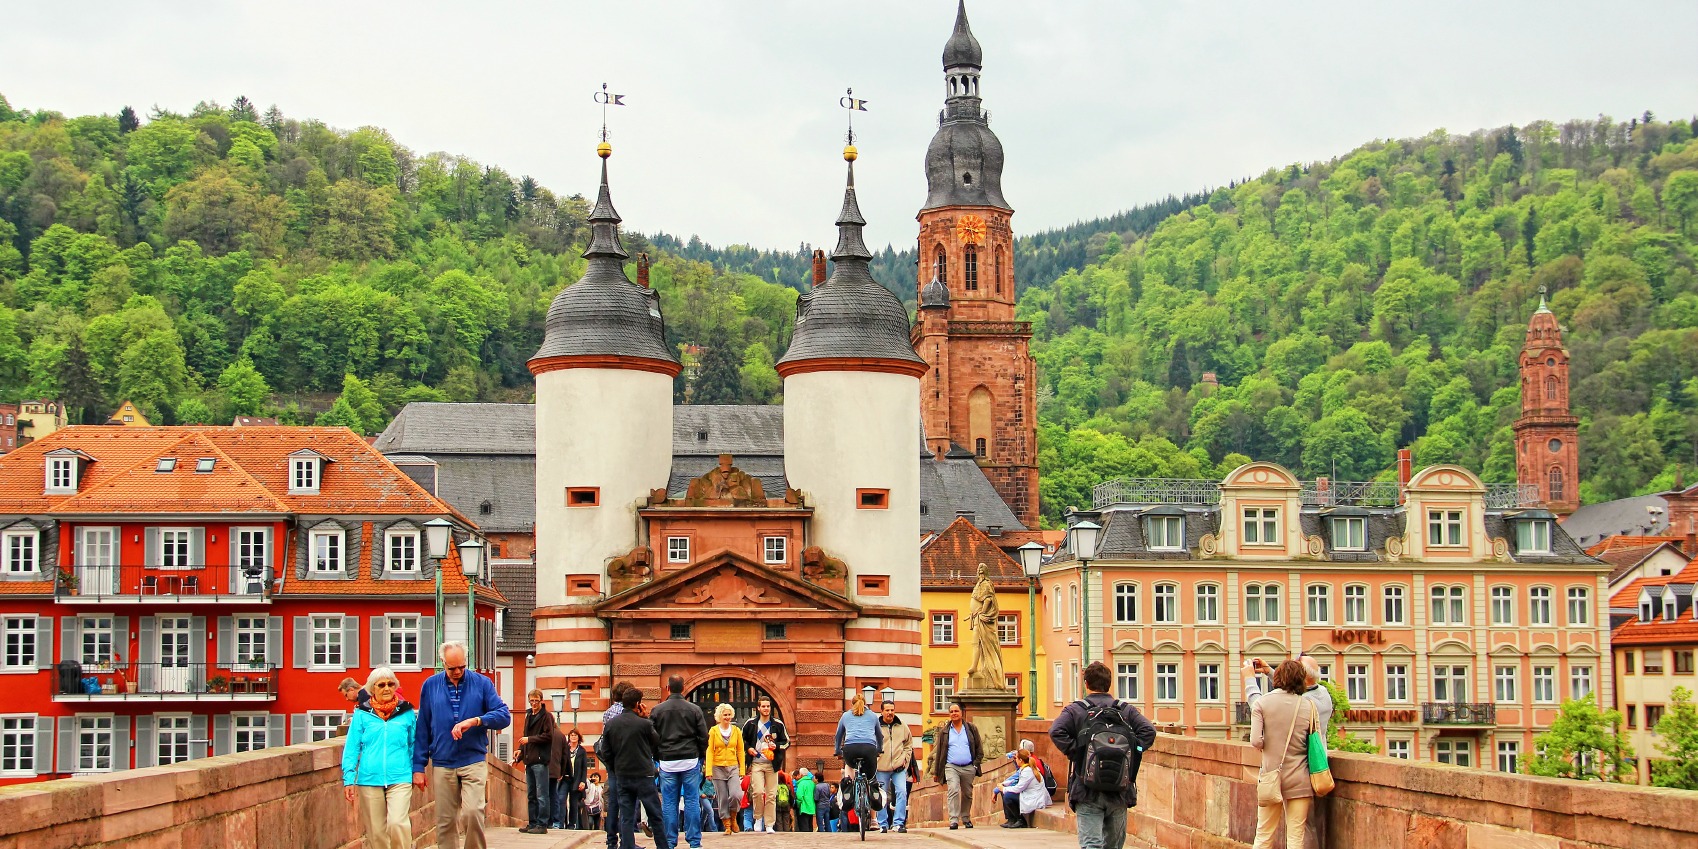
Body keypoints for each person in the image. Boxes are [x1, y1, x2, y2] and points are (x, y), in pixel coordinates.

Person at [412, 641, 511, 849]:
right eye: (452, 668)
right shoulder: (430, 685)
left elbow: (503, 716)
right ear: (442, 663)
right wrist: (418, 767)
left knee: (473, 813)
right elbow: (422, 727)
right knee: (445, 822)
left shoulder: (482, 683)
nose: (457, 671)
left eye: (461, 667)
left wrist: (476, 720)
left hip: (473, 759)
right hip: (442, 760)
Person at [1050, 661, 1159, 849]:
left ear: (1086, 684)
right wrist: (1133, 751)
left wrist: (1077, 752)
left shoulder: (1076, 709)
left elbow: (1056, 731)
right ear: (1109, 684)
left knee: (1092, 845)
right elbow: (1149, 731)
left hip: (1087, 789)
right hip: (1119, 788)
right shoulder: (1124, 710)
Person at [342, 668, 417, 849]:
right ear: (372, 688)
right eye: (381, 685)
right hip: (369, 778)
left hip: (400, 776)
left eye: (390, 684)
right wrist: (349, 778)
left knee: (397, 823)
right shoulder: (362, 713)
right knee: (376, 834)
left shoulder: (406, 711)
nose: (386, 688)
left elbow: (414, 743)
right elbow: (352, 747)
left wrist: (417, 770)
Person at [604, 687, 669, 849]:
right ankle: (662, 846)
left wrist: (616, 767)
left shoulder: (611, 724)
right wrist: (646, 717)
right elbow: (656, 742)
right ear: (638, 704)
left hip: (623, 775)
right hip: (643, 776)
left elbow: (606, 752)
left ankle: (627, 846)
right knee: (655, 815)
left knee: (626, 816)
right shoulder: (644, 724)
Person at [650, 675, 708, 849]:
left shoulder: (657, 710)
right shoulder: (694, 709)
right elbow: (704, 736)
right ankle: (694, 842)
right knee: (692, 800)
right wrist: (700, 754)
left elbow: (651, 736)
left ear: (667, 688)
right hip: (690, 758)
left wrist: (657, 756)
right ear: (683, 688)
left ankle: (669, 841)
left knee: (669, 802)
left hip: (667, 760)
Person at [1243, 655, 1333, 738]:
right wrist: (1269, 671)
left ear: (1303, 675)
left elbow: (1258, 707)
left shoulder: (1302, 702)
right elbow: (1292, 685)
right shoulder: (1323, 692)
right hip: (1318, 753)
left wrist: (1249, 678)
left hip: (1297, 754)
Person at [926, 702, 982, 830]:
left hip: (968, 766)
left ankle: (966, 818)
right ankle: (954, 820)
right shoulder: (945, 731)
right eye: (951, 712)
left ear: (962, 713)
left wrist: (975, 766)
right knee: (953, 790)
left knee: (967, 794)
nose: (954, 714)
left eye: (956, 711)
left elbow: (979, 749)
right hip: (951, 766)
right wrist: (936, 771)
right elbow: (939, 752)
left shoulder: (971, 729)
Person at [740, 697, 788, 833]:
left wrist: (777, 746)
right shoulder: (750, 724)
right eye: (764, 706)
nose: (766, 708)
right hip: (756, 763)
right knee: (758, 791)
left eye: (768, 706)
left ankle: (769, 824)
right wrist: (748, 748)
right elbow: (742, 739)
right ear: (758, 708)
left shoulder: (778, 724)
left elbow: (787, 742)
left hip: (772, 764)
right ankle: (758, 818)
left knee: (771, 794)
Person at [833, 692, 884, 821]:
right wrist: (879, 749)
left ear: (852, 703)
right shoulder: (873, 716)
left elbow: (838, 735)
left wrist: (838, 751)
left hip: (850, 749)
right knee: (871, 777)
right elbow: (879, 736)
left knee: (849, 766)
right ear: (865, 703)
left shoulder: (845, 716)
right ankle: (873, 818)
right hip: (869, 749)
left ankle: (848, 790)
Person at [515, 689, 559, 834]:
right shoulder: (529, 715)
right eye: (531, 701)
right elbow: (525, 735)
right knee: (531, 794)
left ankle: (542, 824)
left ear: (541, 701)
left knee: (542, 794)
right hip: (529, 759)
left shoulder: (547, 716)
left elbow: (548, 736)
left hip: (540, 759)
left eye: (536, 701)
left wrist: (530, 740)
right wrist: (520, 751)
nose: (533, 704)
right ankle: (532, 823)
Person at [704, 702, 745, 833]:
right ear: (719, 716)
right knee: (722, 797)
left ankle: (733, 817)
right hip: (717, 767)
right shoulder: (713, 731)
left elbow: (740, 750)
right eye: (724, 715)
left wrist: (742, 769)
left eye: (729, 715)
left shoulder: (736, 731)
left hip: (733, 766)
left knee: (736, 794)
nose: (727, 717)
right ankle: (727, 825)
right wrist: (708, 770)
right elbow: (710, 750)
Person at [873, 699, 912, 833]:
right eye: (887, 710)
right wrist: (875, 759)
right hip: (881, 767)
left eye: (892, 710)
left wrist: (905, 758)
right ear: (882, 711)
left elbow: (908, 744)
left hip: (898, 766)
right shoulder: (875, 726)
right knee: (881, 795)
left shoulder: (902, 726)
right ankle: (882, 824)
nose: (890, 712)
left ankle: (899, 823)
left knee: (901, 791)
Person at [993, 749, 1051, 828]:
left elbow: (1019, 788)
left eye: (1016, 758)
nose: (1015, 760)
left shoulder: (1027, 771)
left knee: (1007, 796)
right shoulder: (1025, 769)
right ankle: (1011, 819)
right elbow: (1014, 780)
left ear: (1020, 760)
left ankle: (1020, 820)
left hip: (1034, 798)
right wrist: (1002, 786)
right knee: (1006, 791)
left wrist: (1004, 789)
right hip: (1030, 795)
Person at [555, 728, 589, 829]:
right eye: (571, 735)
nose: (573, 737)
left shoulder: (582, 751)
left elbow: (584, 767)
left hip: (576, 779)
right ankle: (561, 823)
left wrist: (583, 781)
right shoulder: (565, 749)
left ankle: (571, 824)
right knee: (561, 799)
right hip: (565, 778)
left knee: (573, 803)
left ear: (579, 738)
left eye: (575, 735)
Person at [794, 767, 816, 832]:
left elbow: (799, 796)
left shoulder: (801, 783)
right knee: (810, 825)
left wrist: (797, 804)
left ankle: (805, 840)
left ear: (801, 774)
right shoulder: (812, 783)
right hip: (811, 807)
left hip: (803, 808)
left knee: (804, 826)